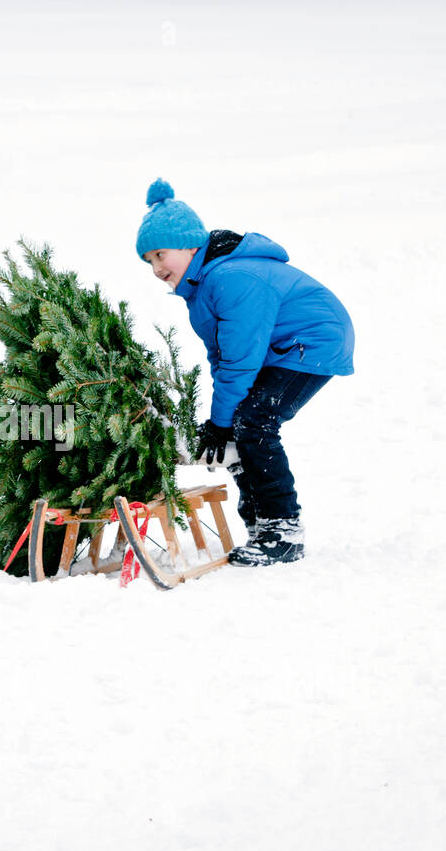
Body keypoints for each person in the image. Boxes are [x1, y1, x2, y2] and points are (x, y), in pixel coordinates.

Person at [135, 178, 354, 566]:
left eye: (160, 254)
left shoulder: (231, 279)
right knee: (241, 423)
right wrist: (220, 423)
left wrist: (222, 422)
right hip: (282, 347)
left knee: (255, 420)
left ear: (189, 245)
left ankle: (282, 530)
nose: (155, 268)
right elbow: (222, 358)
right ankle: (259, 521)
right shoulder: (201, 288)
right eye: (148, 259)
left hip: (313, 341)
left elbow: (241, 361)